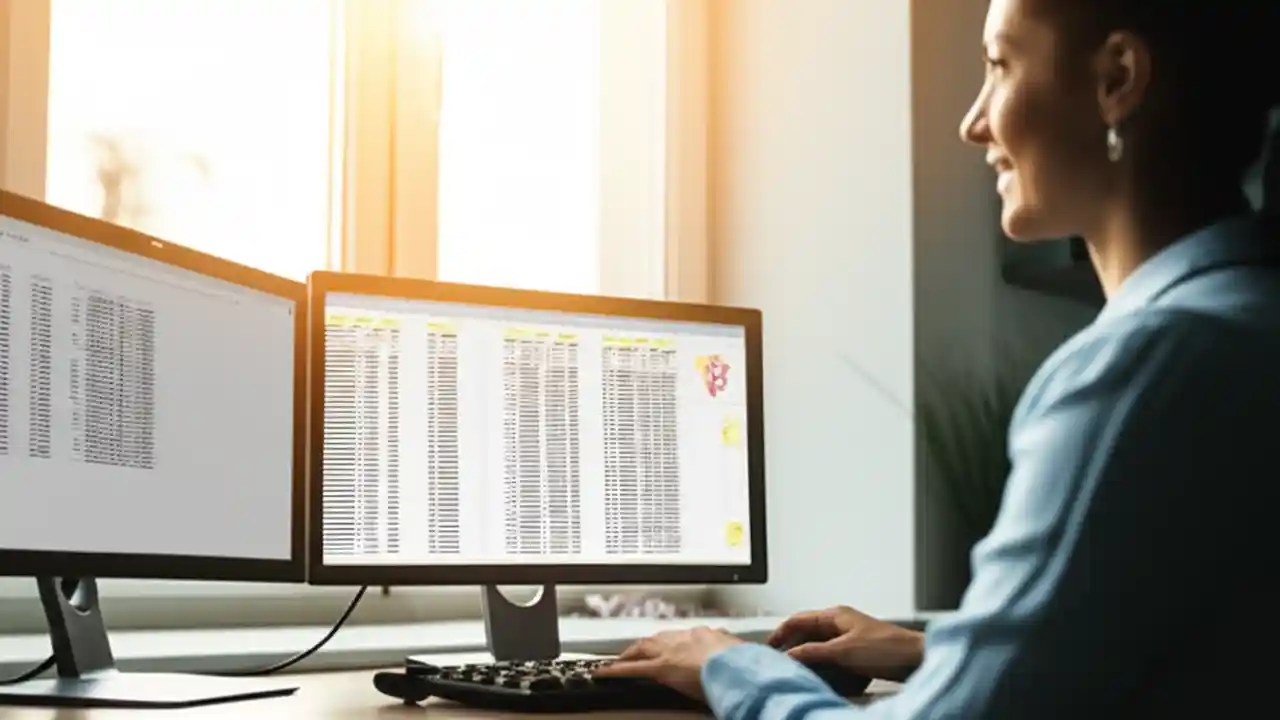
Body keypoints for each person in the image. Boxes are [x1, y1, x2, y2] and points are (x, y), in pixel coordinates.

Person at [596, 0, 1280, 716]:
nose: (973, 122)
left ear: (1118, 78)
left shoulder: (1147, 366)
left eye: (998, 65)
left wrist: (729, 669)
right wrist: (940, 650)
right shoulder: (1248, 322)